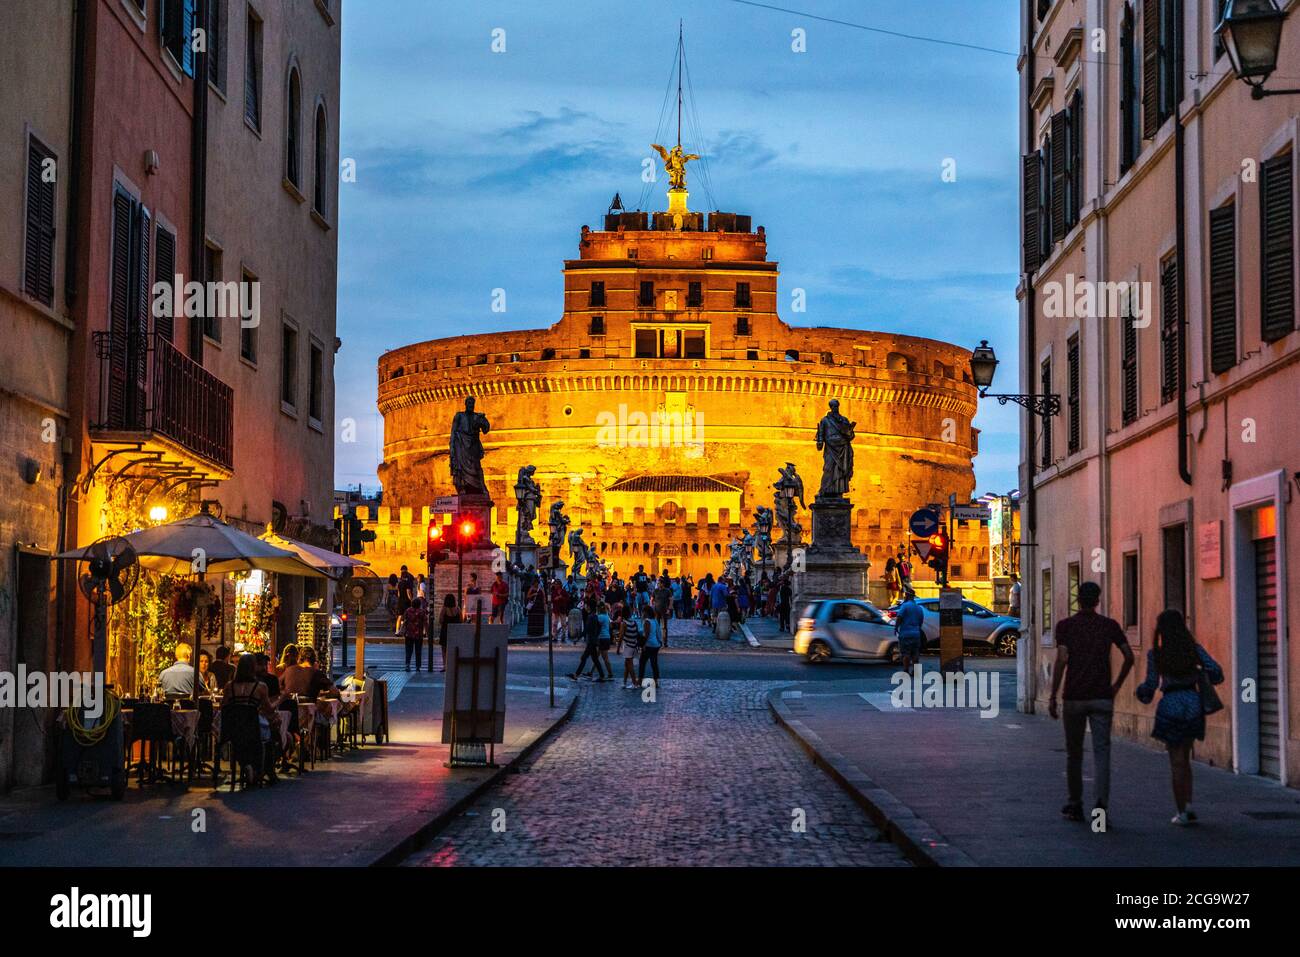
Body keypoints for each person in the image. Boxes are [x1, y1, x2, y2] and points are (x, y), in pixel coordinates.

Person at [1048, 581, 1135, 823]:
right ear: (1097, 600)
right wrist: (1116, 686)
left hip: (1074, 696)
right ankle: (1101, 806)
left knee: (1074, 753)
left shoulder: (1065, 627)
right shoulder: (1109, 626)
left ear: (1078, 600)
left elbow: (1062, 659)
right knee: (1102, 752)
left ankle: (1075, 803)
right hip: (1102, 697)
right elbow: (1129, 656)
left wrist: (1053, 695)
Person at [1135, 609, 1225, 825]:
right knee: (1186, 758)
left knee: (1175, 761)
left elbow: (1149, 686)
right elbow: (1216, 672)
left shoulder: (1156, 654)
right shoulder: (1193, 650)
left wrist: (1141, 693)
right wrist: (1200, 673)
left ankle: (1181, 812)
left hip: (1171, 703)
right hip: (1193, 702)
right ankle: (1189, 806)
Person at [223, 652, 279, 786]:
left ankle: (246, 764)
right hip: (253, 729)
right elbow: (269, 709)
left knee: (243, 738)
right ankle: (264, 769)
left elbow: (224, 706)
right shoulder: (260, 687)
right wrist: (281, 699)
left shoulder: (229, 687)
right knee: (274, 731)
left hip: (234, 729)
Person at [568, 600, 609, 681]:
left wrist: (578, 639)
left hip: (591, 641)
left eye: (586, 605)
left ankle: (576, 675)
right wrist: (596, 635)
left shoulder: (590, 617)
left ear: (589, 607)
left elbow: (586, 630)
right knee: (594, 659)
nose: (585, 607)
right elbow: (599, 627)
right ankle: (602, 675)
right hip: (593, 641)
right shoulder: (595, 616)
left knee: (584, 658)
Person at [893, 589, 925, 672]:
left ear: (907, 596)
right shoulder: (919, 608)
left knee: (906, 653)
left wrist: (896, 627)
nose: (904, 597)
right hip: (916, 634)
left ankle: (906, 670)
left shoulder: (905, 606)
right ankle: (916, 671)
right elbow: (921, 621)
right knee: (915, 653)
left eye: (905, 595)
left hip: (905, 633)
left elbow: (899, 617)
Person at [638, 601, 663, 689]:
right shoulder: (654, 620)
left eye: (643, 612)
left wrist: (643, 644)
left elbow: (646, 634)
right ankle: (656, 682)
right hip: (655, 644)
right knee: (654, 663)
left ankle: (639, 681)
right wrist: (660, 642)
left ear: (646, 613)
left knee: (642, 662)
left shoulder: (647, 621)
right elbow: (658, 632)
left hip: (649, 645)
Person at [616, 603, 641, 689]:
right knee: (627, 665)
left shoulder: (624, 623)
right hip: (633, 645)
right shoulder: (634, 622)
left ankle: (634, 683)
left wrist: (618, 648)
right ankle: (624, 682)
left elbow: (621, 637)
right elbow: (637, 634)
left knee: (629, 666)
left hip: (627, 646)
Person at [402, 596, 427, 672]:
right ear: (419, 604)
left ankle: (407, 665)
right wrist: (426, 632)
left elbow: (405, 621)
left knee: (408, 650)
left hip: (409, 634)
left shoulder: (407, 611)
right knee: (418, 651)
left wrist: (401, 630)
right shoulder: (422, 612)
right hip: (418, 634)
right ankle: (417, 666)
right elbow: (425, 622)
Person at [435, 593, 458, 673]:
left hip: (445, 631)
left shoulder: (444, 609)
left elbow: (440, 620)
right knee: (454, 649)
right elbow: (461, 620)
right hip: (455, 632)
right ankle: (453, 664)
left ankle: (445, 666)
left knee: (444, 649)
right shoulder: (458, 609)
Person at [653, 574, 673, 647]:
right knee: (657, 626)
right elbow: (652, 599)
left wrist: (669, 608)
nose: (658, 584)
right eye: (657, 583)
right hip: (656, 611)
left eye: (659, 583)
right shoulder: (655, 591)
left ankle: (665, 642)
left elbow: (671, 600)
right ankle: (658, 641)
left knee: (664, 627)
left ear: (662, 584)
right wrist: (652, 607)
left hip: (664, 610)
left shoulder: (667, 591)